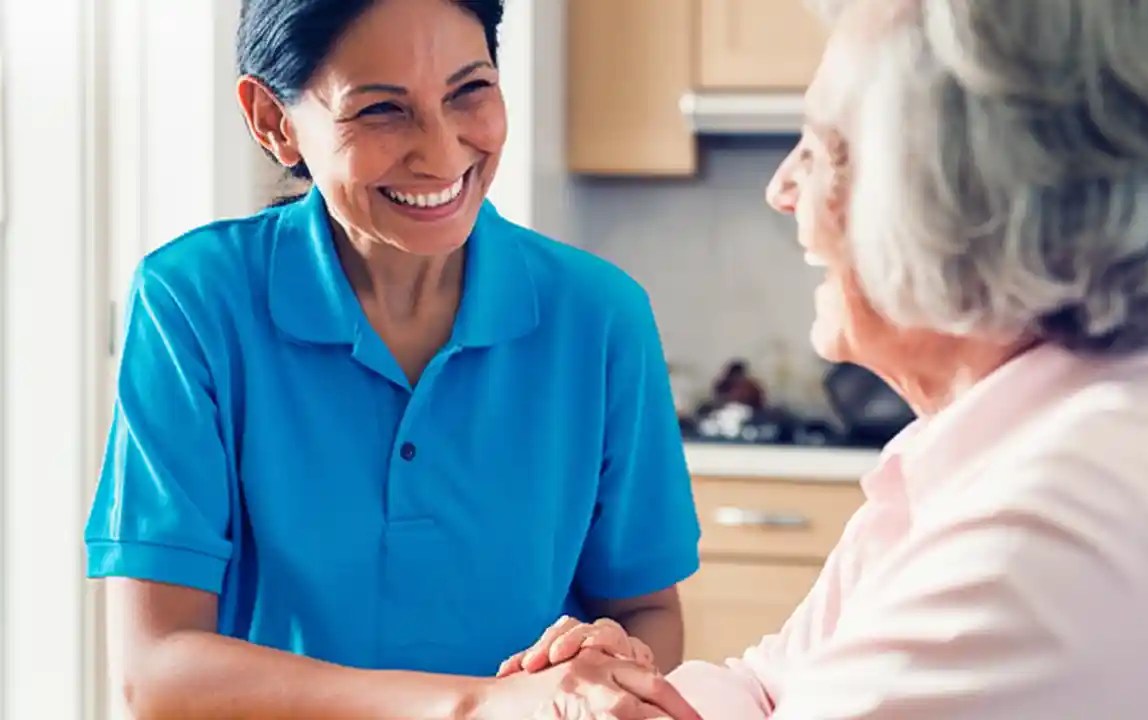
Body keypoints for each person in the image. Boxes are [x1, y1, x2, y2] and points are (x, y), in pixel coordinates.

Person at [503, 0, 1148, 717]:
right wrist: (635, 699)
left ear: (970, 191)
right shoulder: (990, 452)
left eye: (825, 149)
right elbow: (775, 687)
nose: (782, 188)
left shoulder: (1055, 524)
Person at [82, 0, 702, 716]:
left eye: (469, 91)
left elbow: (650, 611)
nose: (441, 153)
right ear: (272, 121)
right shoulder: (193, 302)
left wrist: (608, 665)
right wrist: (480, 707)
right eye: (381, 110)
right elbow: (155, 669)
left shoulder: (599, 316)